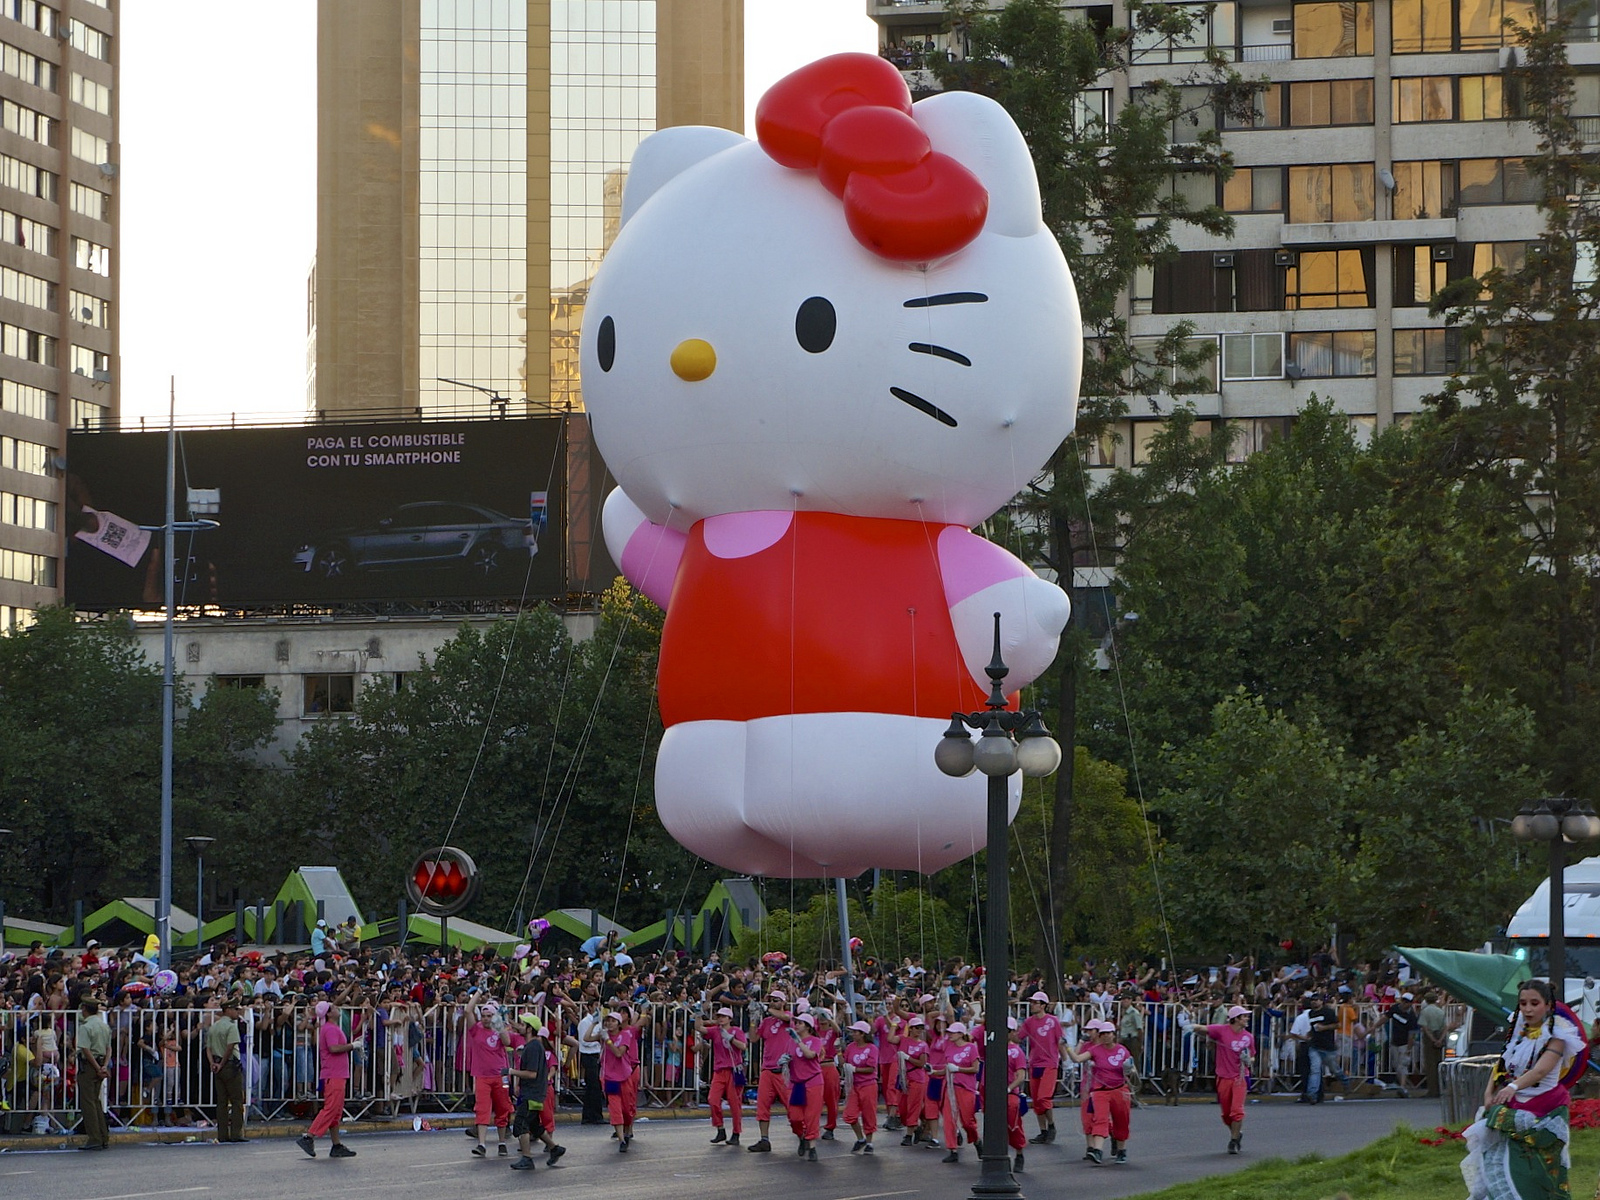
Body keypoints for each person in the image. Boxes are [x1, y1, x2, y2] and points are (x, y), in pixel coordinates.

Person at [1462, 979, 1583, 1200]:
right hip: (1512, 1108)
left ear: (1547, 1005)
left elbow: (1539, 1071)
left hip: (1544, 1112)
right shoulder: (1519, 1032)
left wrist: (1513, 1087)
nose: (1527, 1009)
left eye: (1534, 1003)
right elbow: (1501, 1065)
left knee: (1536, 1174)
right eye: (1523, 1003)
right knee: (1500, 1166)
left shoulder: (1558, 1036)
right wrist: (1489, 1093)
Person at [1065, 1018, 1132, 1165]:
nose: (1106, 1036)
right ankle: (1097, 1150)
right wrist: (1067, 1048)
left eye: (1109, 1033)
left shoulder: (1122, 1050)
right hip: (1100, 1091)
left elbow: (1131, 1069)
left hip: (1120, 1089)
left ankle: (1121, 1150)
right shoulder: (1094, 1050)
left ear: (1114, 1034)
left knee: (1121, 1120)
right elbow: (1077, 1059)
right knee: (1100, 1119)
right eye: (1103, 1034)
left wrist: (1130, 1069)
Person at [296, 1000, 357, 1158]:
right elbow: (333, 1048)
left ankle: (336, 1145)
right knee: (330, 1109)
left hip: (337, 1074)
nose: (338, 1008)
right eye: (334, 1008)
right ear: (329, 1013)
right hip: (333, 1074)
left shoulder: (331, 1027)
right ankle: (309, 1136)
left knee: (335, 1111)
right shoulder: (329, 1029)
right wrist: (352, 1046)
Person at [506, 1016, 566, 1170]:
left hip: (532, 1093)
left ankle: (527, 1158)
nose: (518, 1026)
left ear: (529, 1028)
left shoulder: (532, 1047)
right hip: (535, 1092)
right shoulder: (533, 1046)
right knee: (534, 1125)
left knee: (522, 1124)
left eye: (522, 1024)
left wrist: (512, 1072)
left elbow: (532, 1074)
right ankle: (554, 1148)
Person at [465, 998, 515, 1158]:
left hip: (500, 1076)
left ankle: (501, 1142)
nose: (485, 1018)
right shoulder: (476, 1029)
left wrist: (500, 1025)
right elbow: (467, 1010)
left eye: (489, 1015)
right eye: (484, 1015)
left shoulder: (499, 1027)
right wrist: (478, 993)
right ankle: (481, 1144)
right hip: (482, 1076)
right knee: (482, 1108)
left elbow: (507, 1042)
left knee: (502, 1108)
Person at [747, 990, 795, 1152]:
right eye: (771, 1000)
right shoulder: (767, 1021)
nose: (772, 1002)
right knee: (762, 1105)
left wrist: (768, 1009)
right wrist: (753, 1019)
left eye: (776, 1000)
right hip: (767, 1068)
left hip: (784, 1069)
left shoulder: (789, 1017)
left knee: (792, 1106)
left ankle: (802, 1135)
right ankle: (764, 1139)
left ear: (783, 1002)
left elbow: (787, 1018)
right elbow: (753, 1038)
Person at [1205, 1004, 1255, 1155]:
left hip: (1240, 1076)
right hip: (1223, 1076)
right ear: (1235, 1019)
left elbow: (1252, 1056)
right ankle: (1236, 1133)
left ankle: (1234, 1141)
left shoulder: (1249, 1037)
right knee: (1226, 1114)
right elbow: (1204, 1029)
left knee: (1236, 1111)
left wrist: (1248, 1060)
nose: (1247, 1019)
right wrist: (1190, 1026)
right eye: (1244, 1016)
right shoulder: (1222, 1031)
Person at [600, 1006, 645, 1150]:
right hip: (610, 1077)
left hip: (629, 1072)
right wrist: (595, 1023)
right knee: (615, 1108)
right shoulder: (606, 1034)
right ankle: (621, 1138)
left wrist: (642, 1010)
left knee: (628, 1106)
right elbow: (587, 1038)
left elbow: (619, 1053)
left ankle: (628, 1129)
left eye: (624, 1013)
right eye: (609, 1020)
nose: (610, 1023)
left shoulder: (628, 1032)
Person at [700, 1005, 747, 1145]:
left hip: (733, 1070)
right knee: (713, 1099)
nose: (720, 1019)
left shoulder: (736, 1031)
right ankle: (720, 1128)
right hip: (719, 1071)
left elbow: (743, 1046)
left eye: (723, 1016)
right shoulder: (715, 1031)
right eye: (719, 1016)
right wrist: (697, 1015)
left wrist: (731, 1039)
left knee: (734, 1103)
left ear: (729, 1019)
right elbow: (700, 1028)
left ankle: (736, 1133)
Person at [1020, 990, 1062, 1144]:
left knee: (1044, 1098)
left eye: (1035, 1003)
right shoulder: (1029, 1022)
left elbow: (1060, 1040)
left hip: (1049, 1063)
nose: (1032, 1005)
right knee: (1037, 1100)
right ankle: (1043, 1131)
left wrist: (1065, 1058)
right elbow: (1019, 1037)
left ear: (1043, 1005)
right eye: (1031, 1002)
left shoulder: (1053, 1021)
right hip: (1034, 1062)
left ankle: (1051, 1125)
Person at [206, 997, 247, 1143]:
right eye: (235, 1009)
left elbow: (208, 1048)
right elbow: (230, 1047)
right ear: (228, 1010)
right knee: (237, 1100)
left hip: (217, 1065)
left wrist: (213, 1064)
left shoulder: (214, 1026)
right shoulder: (231, 1026)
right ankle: (236, 1133)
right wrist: (222, 1063)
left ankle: (222, 1134)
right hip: (229, 1065)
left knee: (221, 1101)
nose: (237, 1012)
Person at [939, 1021, 981, 1164]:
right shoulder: (949, 1048)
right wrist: (932, 1071)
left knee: (967, 1122)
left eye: (953, 1032)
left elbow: (975, 1068)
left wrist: (958, 1069)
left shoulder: (971, 1048)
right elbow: (947, 1069)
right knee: (948, 1120)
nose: (950, 1034)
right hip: (950, 1087)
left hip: (966, 1088)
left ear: (961, 1034)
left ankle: (977, 1141)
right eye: (949, 1032)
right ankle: (952, 1150)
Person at [787, 1011, 825, 1161]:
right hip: (796, 1082)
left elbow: (810, 1055)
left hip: (813, 1081)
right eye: (795, 1022)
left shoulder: (815, 1040)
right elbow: (790, 1057)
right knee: (794, 1116)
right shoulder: (790, 1041)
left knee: (811, 1116)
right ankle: (801, 1136)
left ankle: (812, 1145)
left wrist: (798, 1041)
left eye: (800, 1023)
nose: (796, 1025)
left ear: (808, 1026)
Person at [75, 999, 112, 1151]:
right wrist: (103, 1066)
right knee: (96, 1102)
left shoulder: (86, 1027)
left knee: (88, 1103)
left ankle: (94, 1138)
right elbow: (109, 1048)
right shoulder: (104, 1026)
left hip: (90, 1066)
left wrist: (97, 1067)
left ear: (84, 1009)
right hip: (101, 1062)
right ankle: (104, 1136)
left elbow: (85, 1049)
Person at [843, 1019, 879, 1154]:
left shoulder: (872, 1048)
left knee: (868, 1115)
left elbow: (871, 1068)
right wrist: (838, 1052)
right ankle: (860, 1139)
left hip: (868, 1085)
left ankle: (869, 1142)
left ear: (863, 1034)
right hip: (854, 1085)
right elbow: (844, 1063)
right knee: (850, 1115)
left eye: (855, 1032)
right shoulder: (850, 1047)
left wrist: (855, 1070)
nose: (853, 1034)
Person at [575, 998, 607, 1124]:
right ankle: (594, 1115)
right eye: (595, 1006)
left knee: (594, 1088)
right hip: (589, 1055)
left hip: (597, 1055)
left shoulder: (599, 1023)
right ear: (589, 1007)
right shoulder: (585, 1022)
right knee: (593, 1087)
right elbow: (584, 1041)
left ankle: (590, 1115)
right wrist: (596, 1040)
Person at [1419, 989, 1450, 1098]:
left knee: (1430, 1065)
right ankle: (1439, 1088)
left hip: (1430, 1037)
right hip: (1439, 1035)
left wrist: (1432, 1039)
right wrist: (1440, 1039)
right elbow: (1446, 1027)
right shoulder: (1440, 1011)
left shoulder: (1425, 1011)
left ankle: (1432, 1090)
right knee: (1438, 1063)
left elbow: (1425, 1027)